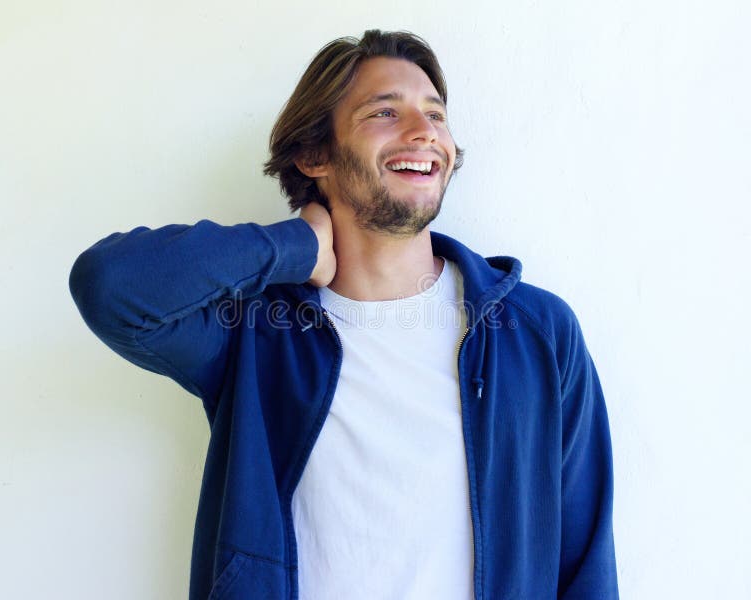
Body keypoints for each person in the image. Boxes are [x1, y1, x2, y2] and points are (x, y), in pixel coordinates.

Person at [69, 29, 619, 600]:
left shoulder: (535, 331)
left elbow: (585, 560)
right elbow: (111, 286)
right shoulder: (255, 336)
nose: (424, 132)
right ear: (315, 155)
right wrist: (295, 246)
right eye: (385, 111)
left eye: (436, 114)